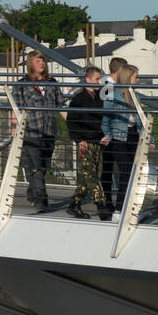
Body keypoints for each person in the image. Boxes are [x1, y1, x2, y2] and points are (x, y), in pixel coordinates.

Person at [13, 51, 63, 213]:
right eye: (38, 61)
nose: (42, 63)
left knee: (43, 166)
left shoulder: (52, 82)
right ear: (31, 64)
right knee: (36, 167)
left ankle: (32, 191)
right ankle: (42, 201)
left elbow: (60, 105)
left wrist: (74, 122)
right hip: (31, 132)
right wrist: (15, 129)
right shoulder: (22, 84)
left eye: (43, 60)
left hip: (49, 131)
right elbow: (16, 109)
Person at [100, 64, 153, 212]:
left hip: (133, 136)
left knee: (132, 172)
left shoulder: (134, 94)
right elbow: (106, 118)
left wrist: (150, 139)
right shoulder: (113, 94)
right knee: (126, 170)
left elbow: (141, 119)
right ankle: (120, 207)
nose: (138, 79)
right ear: (128, 77)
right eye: (136, 76)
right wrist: (108, 136)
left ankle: (127, 206)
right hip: (118, 137)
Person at [63, 65, 110, 220]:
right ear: (87, 79)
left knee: (88, 175)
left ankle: (74, 204)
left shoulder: (100, 97)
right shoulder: (78, 99)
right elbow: (72, 122)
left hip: (98, 141)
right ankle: (101, 204)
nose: (99, 82)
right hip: (86, 141)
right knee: (91, 175)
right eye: (97, 79)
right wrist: (78, 139)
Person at [98, 56, 128, 212]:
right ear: (120, 71)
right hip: (108, 132)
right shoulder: (107, 85)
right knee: (107, 167)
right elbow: (106, 110)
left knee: (109, 168)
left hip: (112, 131)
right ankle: (107, 201)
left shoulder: (112, 85)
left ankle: (108, 201)